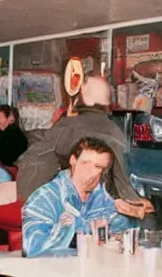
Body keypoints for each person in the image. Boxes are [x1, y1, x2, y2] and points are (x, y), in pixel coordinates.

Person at [15, 76, 146, 206]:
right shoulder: (117, 132)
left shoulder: (68, 127)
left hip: (69, 208)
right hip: (113, 205)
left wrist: (33, 205)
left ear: (85, 95)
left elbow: (35, 163)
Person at [21, 138, 143, 257]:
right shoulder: (46, 198)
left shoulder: (102, 198)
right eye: (86, 164)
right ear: (73, 160)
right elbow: (31, 246)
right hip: (52, 273)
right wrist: (76, 233)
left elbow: (122, 232)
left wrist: (131, 215)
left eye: (99, 167)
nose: (92, 172)